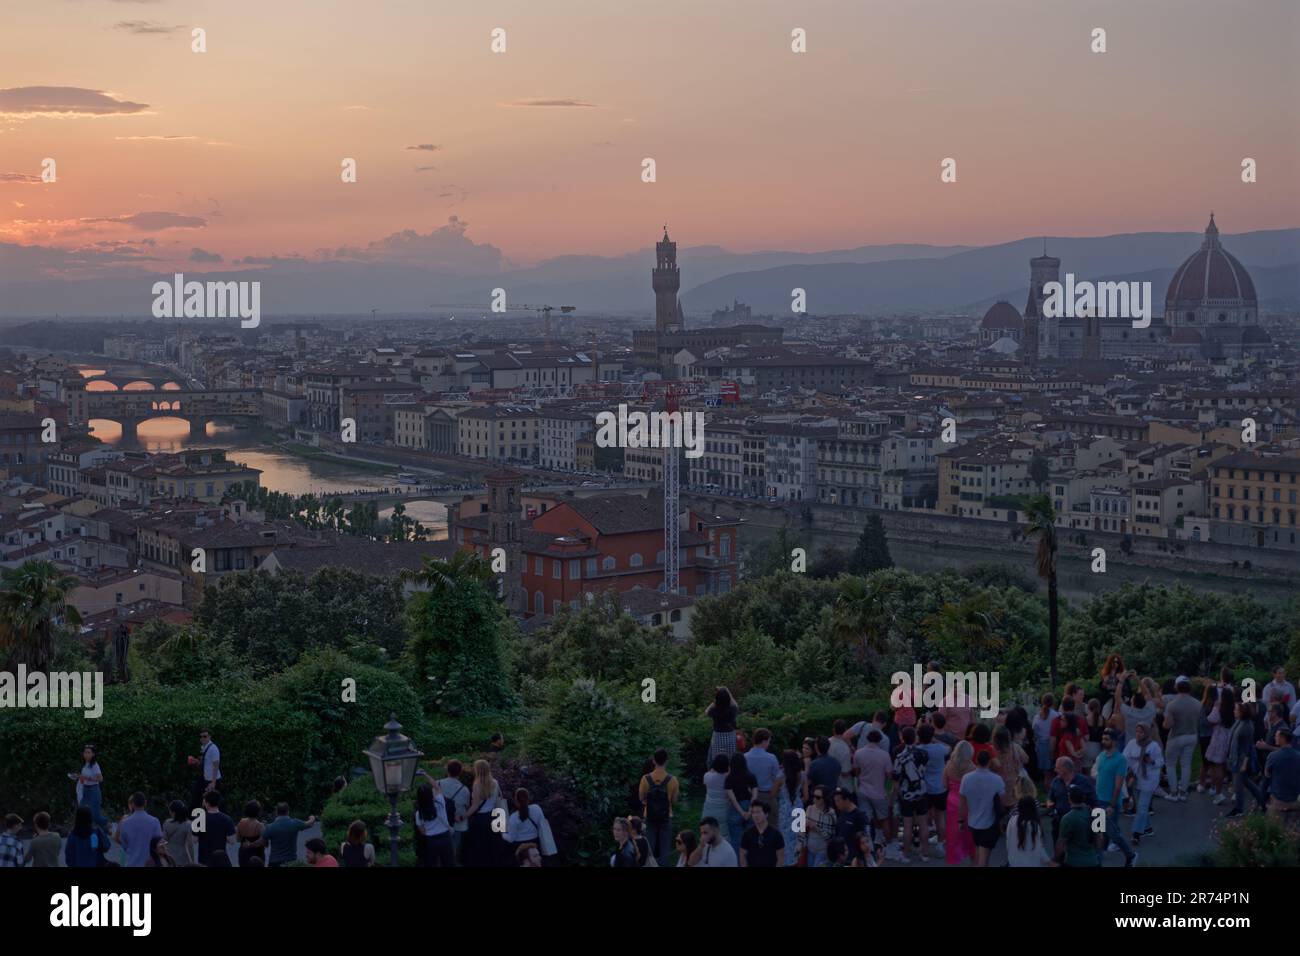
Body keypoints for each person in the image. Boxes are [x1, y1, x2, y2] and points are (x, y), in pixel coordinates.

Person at [1094, 728, 1137, 866]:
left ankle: (1131, 855)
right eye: (1103, 739)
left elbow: (1118, 786)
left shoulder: (1120, 760)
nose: (1103, 741)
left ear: (1114, 741)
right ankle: (1098, 858)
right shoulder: (1101, 756)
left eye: (1106, 739)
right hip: (1098, 799)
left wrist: (1112, 805)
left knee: (1112, 833)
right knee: (1099, 831)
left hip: (1109, 802)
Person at [853, 729, 897, 860]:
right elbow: (889, 775)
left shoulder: (858, 753)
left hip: (863, 791)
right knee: (884, 820)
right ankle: (888, 846)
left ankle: (867, 846)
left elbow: (856, 771)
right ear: (879, 740)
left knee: (866, 821)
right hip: (878, 792)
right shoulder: (884, 755)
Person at [959, 749, 1004, 867]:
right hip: (989, 824)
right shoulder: (997, 780)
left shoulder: (966, 778)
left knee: (977, 854)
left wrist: (960, 821)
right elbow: (1002, 802)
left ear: (976, 760)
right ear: (989, 762)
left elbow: (962, 803)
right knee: (984, 858)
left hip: (972, 822)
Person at [893, 726, 930, 863]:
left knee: (907, 825)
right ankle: (925, 853)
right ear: (915, 738)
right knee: (923, 824)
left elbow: (896, 779)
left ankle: (905, 854)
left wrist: (895, 796)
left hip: (906, 793)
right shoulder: (924, 753)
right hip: (921, 791)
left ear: (902, 738)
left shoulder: (899, 757)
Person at [1124, 723, 1164, 845]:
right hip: (1135, 778)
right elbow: (1125, 758)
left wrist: (1151, 761)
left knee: (1141, 806)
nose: (1138, 734)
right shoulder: (1131, 743)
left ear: (1146, 733)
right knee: (1142, 806)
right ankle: (1147, 828)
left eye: (1141, 732)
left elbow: (1161, 762)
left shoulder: (1153, 746)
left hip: (1149, 779)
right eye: (1137, 731)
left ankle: (1136, 834)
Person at [1226, 701, 1267, 817]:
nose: (1234, 711)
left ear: (1242, 712)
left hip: (1240, 760)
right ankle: (1263, 803)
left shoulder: (1247, 726)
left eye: (1236, 710)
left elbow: (1248, 747)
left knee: (1238, 785)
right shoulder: (1239, 722)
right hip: (1235, 758)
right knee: (1247, 783)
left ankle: (1239, 809)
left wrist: (1244, 764)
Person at [1162, 676, 1200, 801]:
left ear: (1177, 687)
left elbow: (1167, 725)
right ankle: (1183, 792)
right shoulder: (1197, 703)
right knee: (1186, 764)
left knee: (1171, 764)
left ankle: (1173, 792)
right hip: (1192, 735)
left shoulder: (1172, 705)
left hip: (1176, 736)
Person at [638, 748, 678, 865]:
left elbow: (641, 798)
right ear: (666, 761)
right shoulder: (673, 780)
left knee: (649, 850)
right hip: (666, 817)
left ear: (654, 761)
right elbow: (674, 801)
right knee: (664, 850)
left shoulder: (645, 779)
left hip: (649, 816)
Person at [917, 722, 949, 857]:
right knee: (940, 817)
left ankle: (923, 847)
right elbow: (949, 748)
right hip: (940, 787)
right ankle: (940, 844)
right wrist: (935, 739)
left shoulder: (918, 750)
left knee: (923, 819)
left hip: (924, 788)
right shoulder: (939, 749)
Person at [464, 759, 503, 867]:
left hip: (480, 819)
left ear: (478, 770)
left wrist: (464, 816)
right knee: (492, 846)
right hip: (493, 817)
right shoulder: (495, 782)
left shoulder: (477, 785)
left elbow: (475, 806)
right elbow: (498, 803)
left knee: (479, 847)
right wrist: (501, 823)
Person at [1047, 757, 1095, 843]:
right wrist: (1050, 806)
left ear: (1065, 769)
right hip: (1059, 821)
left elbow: (1094, 802)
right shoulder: (1056, 781)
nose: (1054, 770)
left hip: (1079, 823)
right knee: (1059, 843)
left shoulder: (1083, 782)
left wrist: (1098, 828)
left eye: (1057, 768)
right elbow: (1050, 798)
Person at [943, 740, 976, 865]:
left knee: (953, 832)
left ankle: (954, 858)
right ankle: (972, 856)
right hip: (967, 802)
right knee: (969, 833)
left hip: (952, 800)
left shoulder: (948, 766)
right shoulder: (972, 767)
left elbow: (944, 785)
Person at [1054, 785, 1099, 867]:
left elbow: (1060, 843)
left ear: (1069, 798)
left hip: (1073, 862)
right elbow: (1100, 841)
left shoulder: (1068, 818)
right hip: (1093, 861)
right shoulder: (1096, 814)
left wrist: (1055, 859)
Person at [1204, 686, 1235, 805]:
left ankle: (1218, 792)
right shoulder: (1233, 708)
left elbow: (1211, 719)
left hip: (1218, 738)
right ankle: (1217, 789)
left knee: (1217, 766)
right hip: (1228, 738)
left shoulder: (1219, 708)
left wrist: (1215, 707)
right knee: (1223, 765)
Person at [414, 779, 455, 867]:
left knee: (431, 863)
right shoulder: (440, 802)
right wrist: (425, 775)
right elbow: (437, 787)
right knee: (448, 862)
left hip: (431, 840)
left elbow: (422, 831)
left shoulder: (419, 813)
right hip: (445, 837)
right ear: (431, 794)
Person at [504, 787, 552, 863]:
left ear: (516, 801)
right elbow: (542, 827)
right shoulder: (537, 808)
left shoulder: (513, 817)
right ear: (528, 798)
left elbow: (511, 839)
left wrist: (502, 834)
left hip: (520, 848)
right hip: (535, 844)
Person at [118, 791, 163, 868]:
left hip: (131, 863)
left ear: (133, 804)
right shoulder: (155, 821)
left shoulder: (124, 823)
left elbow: (124, 845)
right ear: (145, 803)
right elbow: (158, 843)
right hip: (150, 863)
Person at [263, 802, 315, 867]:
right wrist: (312, 818)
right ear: (288, 812)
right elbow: (309, 824)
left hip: (274, 862)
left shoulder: (269, 827)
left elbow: (265, 844)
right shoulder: (295, 823)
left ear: (276, 812)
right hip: (291, 861)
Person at [1264, 726, 1300, 819]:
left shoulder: (1273, 756)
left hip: (1278, 800)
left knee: (1274, 830)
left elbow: (1267, 774)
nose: (1275, 738)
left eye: (1276, 736)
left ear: (1282, 738)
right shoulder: (1298, 756)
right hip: (1295, 799)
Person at [439, 761, 471, 862]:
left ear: (447, 770)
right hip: (457, 823)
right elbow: (467, 806)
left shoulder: (438, 784)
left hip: (441, 823)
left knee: (440, 853)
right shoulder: (465, 790)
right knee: (453, 852)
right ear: (460, 772)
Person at [723, 751, 756, 850]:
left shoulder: (729, 778)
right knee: (751, 841)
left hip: (735, 809)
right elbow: (755, 795)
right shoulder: (751, 776)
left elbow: (732, 798)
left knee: (736, 842)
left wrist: (741, 812)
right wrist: (750, 810)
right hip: (749, 807)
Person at [1005, 796, 1051, 867]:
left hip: (1014, 861)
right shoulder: (1034, 825)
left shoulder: (1012, 820)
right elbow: (1039, 848)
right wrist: (1049, 862)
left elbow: (1008, 840)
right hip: (1032, 863)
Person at [777, 749, 804, 866]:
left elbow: (772, 794)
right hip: (798, 807)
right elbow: (806, 796)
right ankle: (796, 861)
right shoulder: (802, 775)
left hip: (784, 808)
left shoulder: (780, 776)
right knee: (797, 837)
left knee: (784, 838)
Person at [194, 791, 236, 866]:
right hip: (220, 859)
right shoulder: (227, 819)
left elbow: (194, 840)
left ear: (207, 803)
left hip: (204, 859)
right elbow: (232, 841)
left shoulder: (199, 819)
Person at [739, 799, 784, 867]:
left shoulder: (776, 834)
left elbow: (780, 858)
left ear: (766, 814)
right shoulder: (747, 834)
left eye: (758, 812)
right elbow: (742, 855)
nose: (755, 815)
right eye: (753, 812)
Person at [72, 744, 108, 829]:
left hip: (93, 790)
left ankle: (108, 825)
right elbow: (84, 779)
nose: (86, 754)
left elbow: (100, 779)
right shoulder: (85, 765)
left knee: (95, 815)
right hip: (85, 790)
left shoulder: (94, 765)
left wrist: (86, 777)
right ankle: (84, 831)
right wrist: (78, 777)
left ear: (93, 754)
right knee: (82, 812)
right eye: (85, 752)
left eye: (88, 752)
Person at [746, 727, 783, 809]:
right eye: (768, 741)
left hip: (749, 795)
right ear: (764, 741)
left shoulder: (744, 757)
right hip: (767, 795)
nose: (769, 744)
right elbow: (776, 778)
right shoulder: (771, 758)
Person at [832, 788, 870, 865]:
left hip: (854, 860)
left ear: (847, 800)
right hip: (842, 859)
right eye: (835, 801)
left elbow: (866, 840)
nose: (836, 804)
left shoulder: (860, 816)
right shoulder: (842, 813)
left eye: (838, 801)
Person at [804, 785, 836, 868]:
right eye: (813, 796)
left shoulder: (830, 814)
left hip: (822, 852)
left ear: (825, 799)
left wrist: (817, 828)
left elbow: (830, 837)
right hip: (809, 850)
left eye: (818, 797)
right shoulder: (809, 809)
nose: (814, 799)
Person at [705, 687, 739, 764]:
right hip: (730, 736)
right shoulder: (732, 709)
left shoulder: (714, 710)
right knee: (731, 759)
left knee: (716, 759)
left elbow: (706, 711)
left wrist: (714, 702)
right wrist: (728, 691)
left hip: (717, 736)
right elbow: (736, 705)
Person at [190, 729, 222, 809]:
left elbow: (216, 765)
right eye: (201, 736)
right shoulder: (205, 747)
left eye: (205, 736)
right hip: (205, 778)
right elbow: (206, 762)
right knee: (200, 797)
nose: (202, 738)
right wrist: (196, 761)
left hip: (212, 780)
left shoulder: (213, 749)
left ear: (209, 737)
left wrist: (213, 783)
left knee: (212, 802)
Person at [1032, 694, 1058, 784]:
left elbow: (1034, 731)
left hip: (1041, 745)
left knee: (1046, 772)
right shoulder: (1056, 715)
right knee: (1053, 771)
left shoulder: (1037, 716)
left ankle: (1047, 790)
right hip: (1053, 743)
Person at [235, 801, 266, 868]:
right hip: (257, 854)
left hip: (243, 853)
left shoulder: (240, 823)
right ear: (258, 812)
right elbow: (264, 843)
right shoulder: (260, 826)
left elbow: (238, 839)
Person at [827, 720, 855, 792]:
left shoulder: (827, 742)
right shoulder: (845, 748)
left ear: (833, 729)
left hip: (829, 783)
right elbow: (845, 772)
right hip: (844, 787)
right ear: (845, 730)